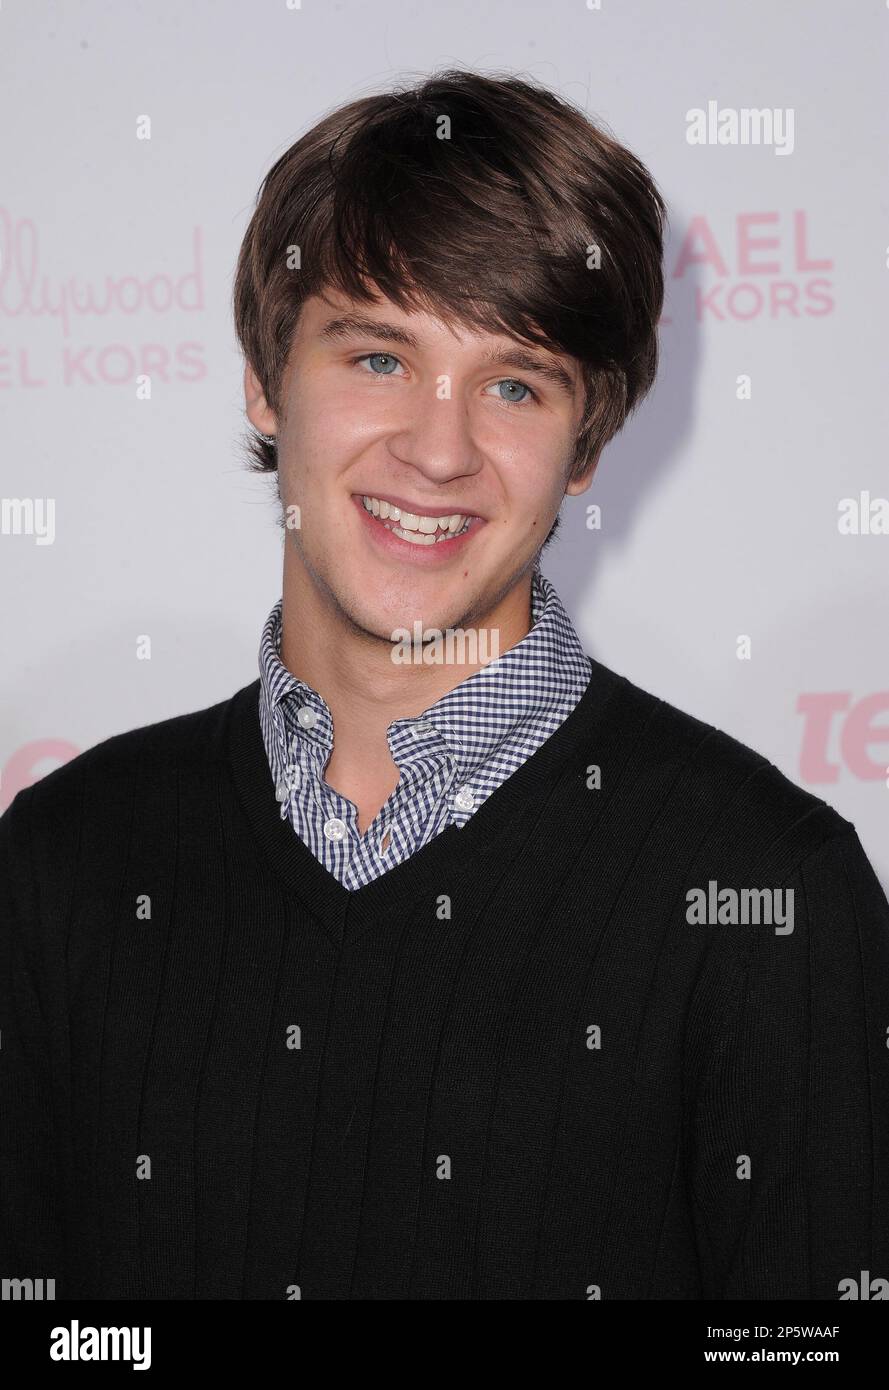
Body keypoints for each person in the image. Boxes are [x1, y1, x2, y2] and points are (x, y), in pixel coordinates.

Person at [2, 68, 887, 1302]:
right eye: (378, 356)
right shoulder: (62, 859)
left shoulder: (767, 891)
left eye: (514, 384)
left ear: (586, 445)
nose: (437, 448)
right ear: (266, 377)